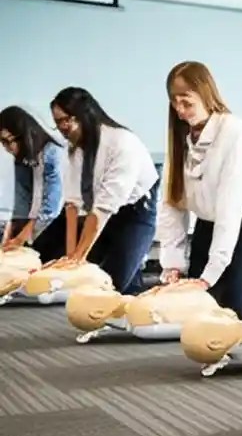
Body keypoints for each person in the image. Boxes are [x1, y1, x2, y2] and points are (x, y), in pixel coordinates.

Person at [155, 61, 242, 319]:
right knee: (198, 306)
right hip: (210, 220)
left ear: (206, 95)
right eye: (174, 102)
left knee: (232, 307)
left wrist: (209, 276)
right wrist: (172, 264)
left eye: (186, 102)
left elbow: (230, 207)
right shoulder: (179, 137)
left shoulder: (235, 132)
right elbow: (172, 205)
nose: (179, 111)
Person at [51, 87, 159, 295]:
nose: (63, 127)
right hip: (101, 212)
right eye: (57, 123)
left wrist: (79, 257)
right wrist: (71, 255)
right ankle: (132, 285)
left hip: (137, 210)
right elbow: (72, 205)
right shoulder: (75, 149)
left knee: (110, 282)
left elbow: (103, 207)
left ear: (85, 114)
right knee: (87, 278)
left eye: (67, 120)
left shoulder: (121, 142)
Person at [1, 105, 66, 262]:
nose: (7, 148)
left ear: (24, 135)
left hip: (57, 226)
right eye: (2, 142)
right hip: (35, 226)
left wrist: (19, 239)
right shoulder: (22, 159)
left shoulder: (52, 153)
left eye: (9, 141)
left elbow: (51, 208)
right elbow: (21, 201)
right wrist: (10, 234)